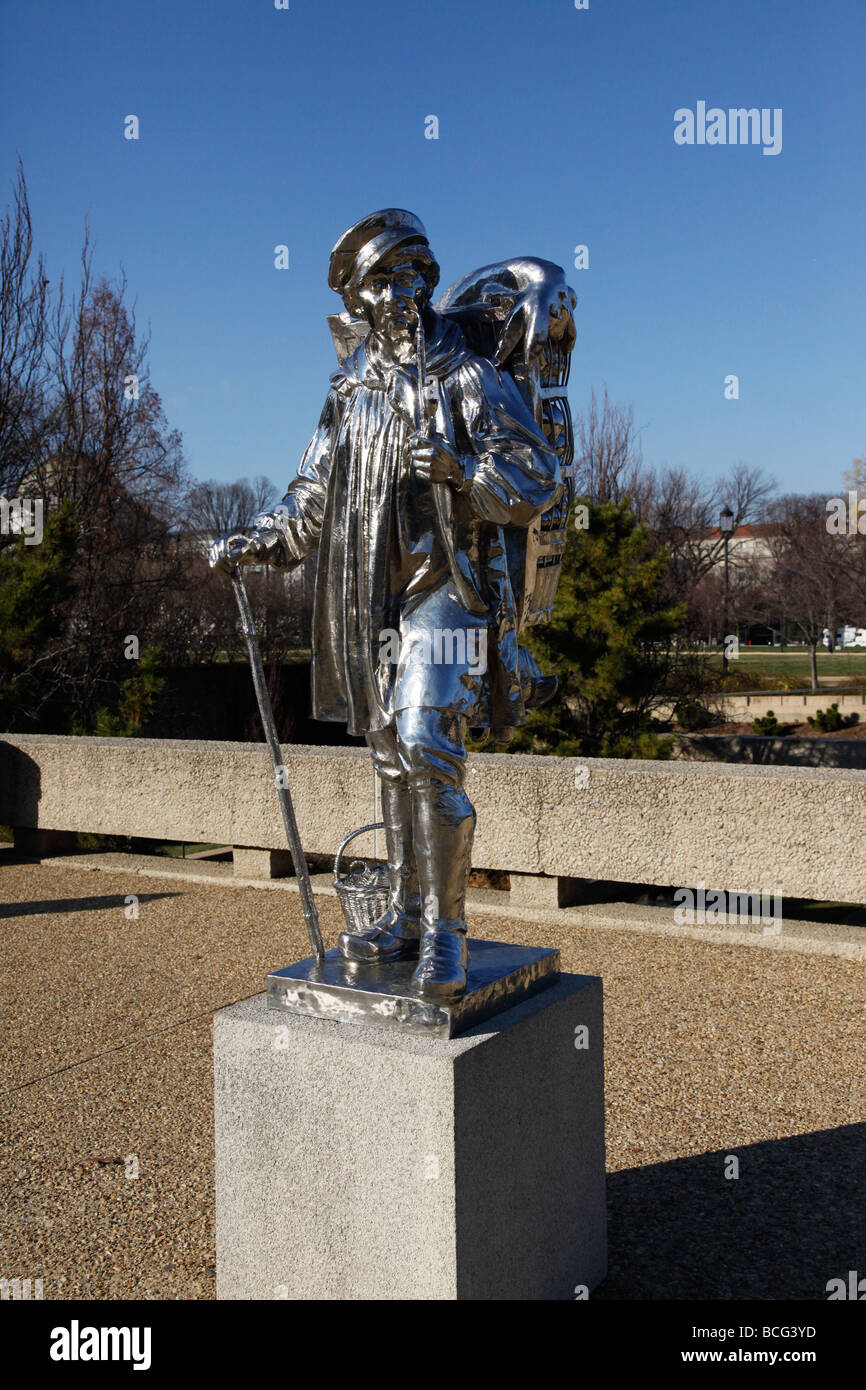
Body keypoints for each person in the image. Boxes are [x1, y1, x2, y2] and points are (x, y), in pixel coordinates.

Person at [209, 209, 561, 1001]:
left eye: (413, 276)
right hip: (371, 604)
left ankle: (447, 932)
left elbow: (537, 475)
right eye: (384, 280)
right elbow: (309, 500)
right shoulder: (349, 395)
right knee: (390, 759)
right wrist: (254, 541)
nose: (403, 293)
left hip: (451, 593)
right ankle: (404, 912)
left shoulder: (468, 378)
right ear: (357, 300)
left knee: (426, 740)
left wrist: (466, 470)